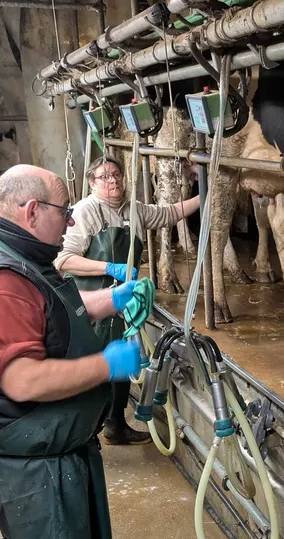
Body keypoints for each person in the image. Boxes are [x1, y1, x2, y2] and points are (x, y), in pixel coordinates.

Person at [0, 164, 148, 539]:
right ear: (32, 211)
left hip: (38, 446)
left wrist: (111, 298)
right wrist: (109, 364)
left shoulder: (17, 255)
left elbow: (50, 314)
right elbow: (24, 381)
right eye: (65, 210)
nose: (72, 219)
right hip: (21, 460)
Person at [54, 155, 200, 445]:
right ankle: (85, 433)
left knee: (119, 370)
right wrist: (109, 268)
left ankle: (115, 425)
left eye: (117, 175)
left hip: (121, 304)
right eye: (105, 176)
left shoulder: (131, 210)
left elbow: (167, 213)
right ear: (92, 182)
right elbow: (63, 260)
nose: (113, 181)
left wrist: (202, 195)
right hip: (92, 303)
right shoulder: (85, 211)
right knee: (94, 368)